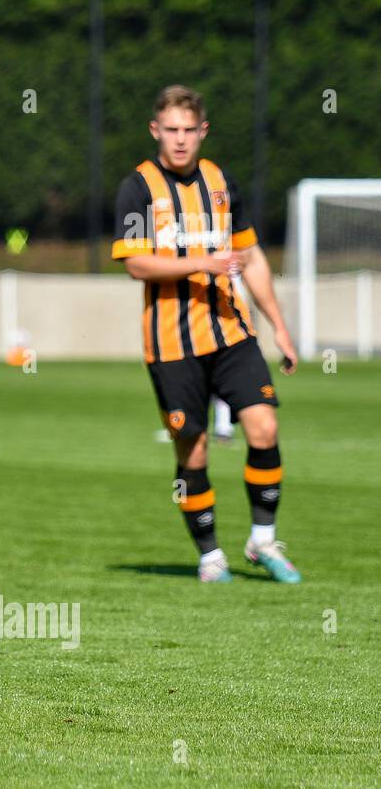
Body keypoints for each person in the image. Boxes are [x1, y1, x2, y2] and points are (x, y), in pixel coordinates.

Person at [112, 86, 299, 583]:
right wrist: (201, 261)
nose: (179, 140)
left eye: (188, 131)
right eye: (170, 130)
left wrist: (280, 327)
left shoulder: (219, 181)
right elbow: (135, 264)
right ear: (156, 130)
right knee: (192, 451)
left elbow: (252, 257)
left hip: (233, 334)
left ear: (202, 131)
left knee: (264, 427)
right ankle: (210, 555)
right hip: (171, 347)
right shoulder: (138, 188)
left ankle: (262, 540)